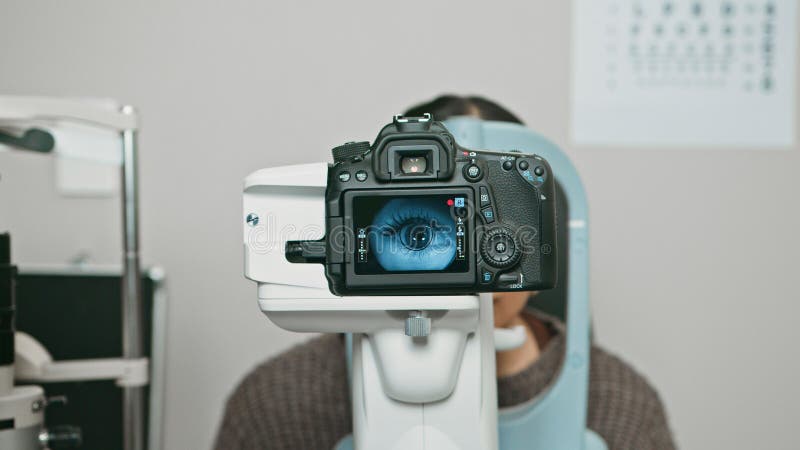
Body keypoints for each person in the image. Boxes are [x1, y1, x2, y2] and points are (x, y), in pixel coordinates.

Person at [215, 95, 676, 450]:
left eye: (489, 215)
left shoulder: (618, 406)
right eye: (416, 224)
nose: (469, 249)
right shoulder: (276, 403)